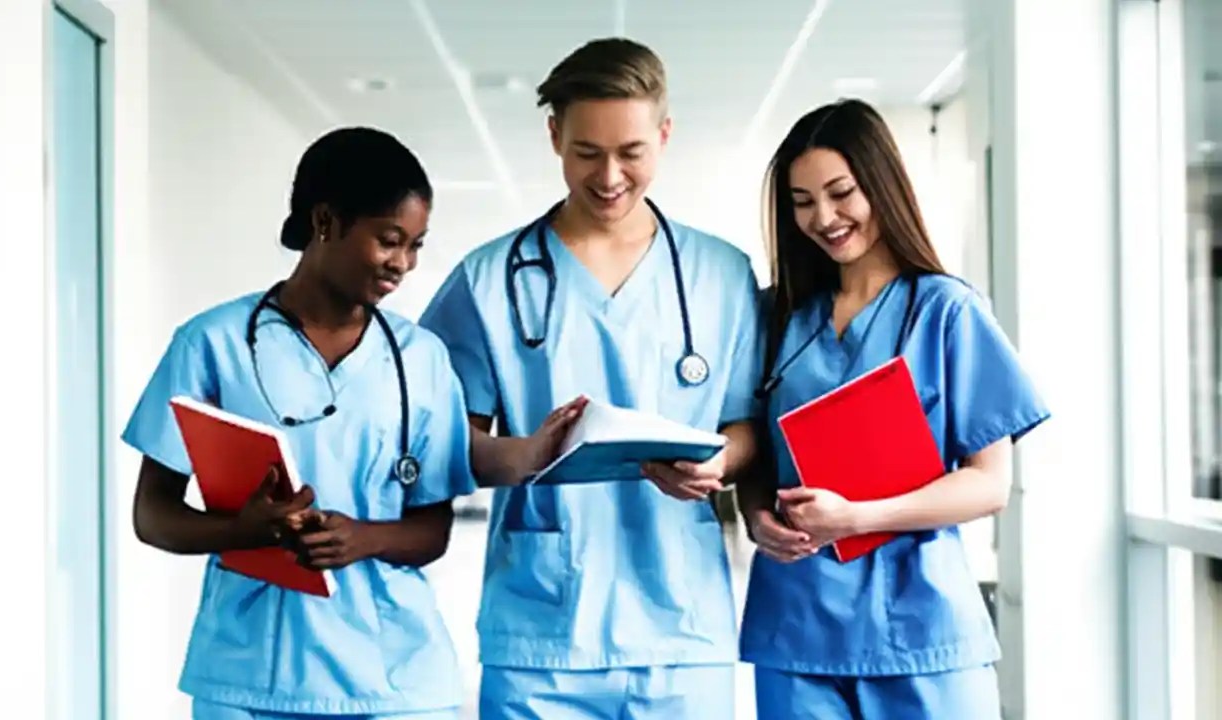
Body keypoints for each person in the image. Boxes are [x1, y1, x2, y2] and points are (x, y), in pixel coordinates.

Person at [418, 37, 762, 720]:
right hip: (542, 628)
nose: (609, 176)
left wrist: (722, 460)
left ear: (664, 136)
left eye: (631, 153)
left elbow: (751, 423)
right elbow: (443, 439)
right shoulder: (488, 280)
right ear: (554, 136)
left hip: (681, 628)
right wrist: (525, 455)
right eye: (586, 153)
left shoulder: (721, 275)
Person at [122, 127, 475, 720]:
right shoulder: (213, 343)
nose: (404, 264)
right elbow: (153, 516)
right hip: (251, 672)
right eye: (390, 240)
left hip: (394, 678)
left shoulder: (421, 358)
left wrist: (363, 538)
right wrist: (245, 530)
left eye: (416, 245)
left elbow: (432, 530)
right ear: (327, 221)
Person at [736, 98, 1051, 719]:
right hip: (797, 628)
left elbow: (990, 486)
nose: (823, 217)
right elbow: (756, 452)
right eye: (802, 202)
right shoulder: (776, 319)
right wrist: (754, 514)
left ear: (880, 184)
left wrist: (856, 518)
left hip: (921, 629)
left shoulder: (945, 312)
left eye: (840, 192)